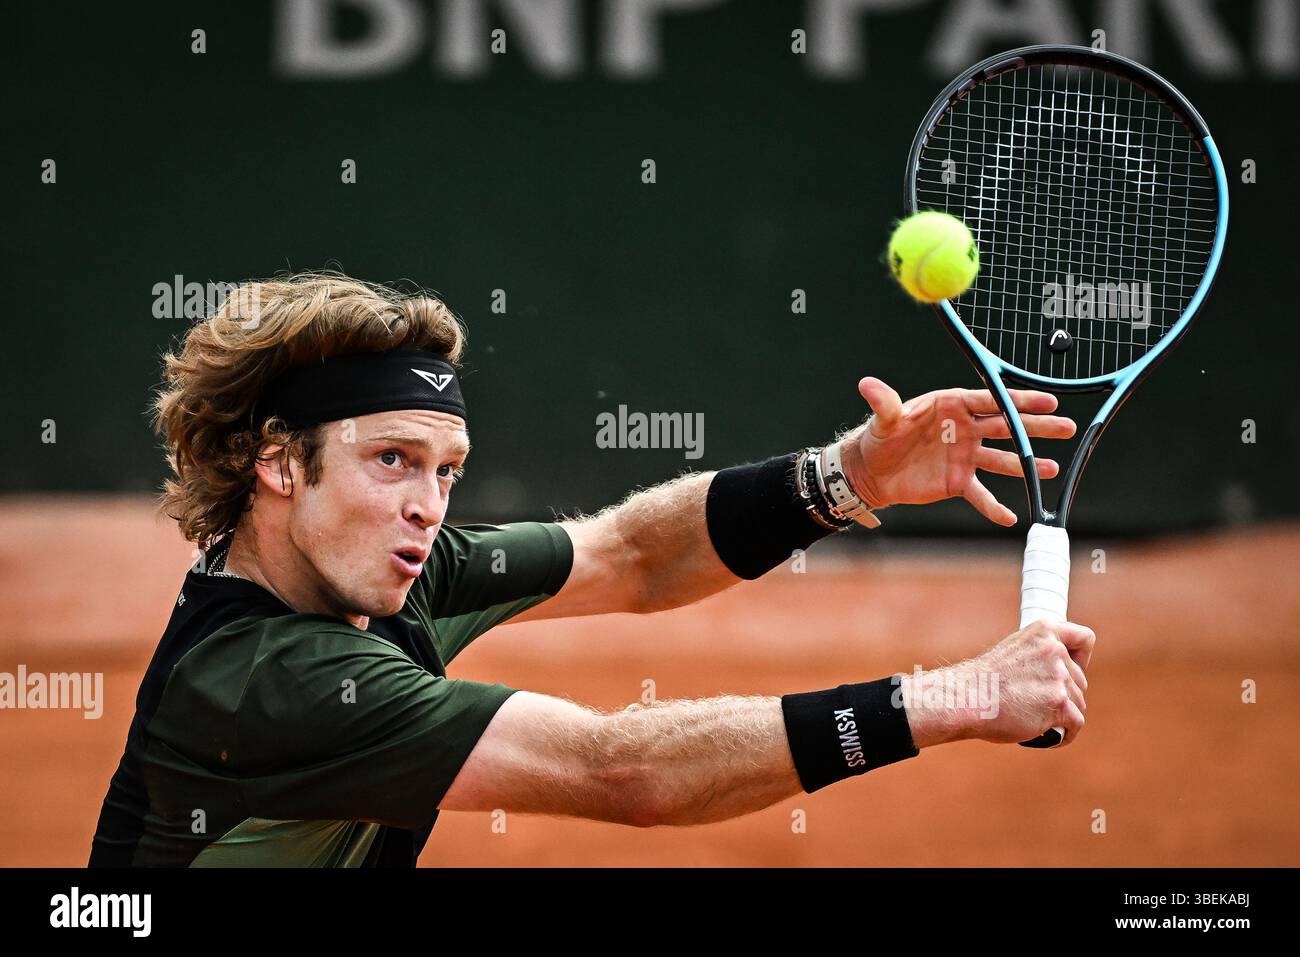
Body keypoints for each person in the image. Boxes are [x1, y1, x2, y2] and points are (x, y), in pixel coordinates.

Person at [89, 272, 1093, 867]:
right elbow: (627, 771)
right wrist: (954, 696)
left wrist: (851, 473)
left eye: (446, 471)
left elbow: (632, 554)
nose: (426, 505)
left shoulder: (379, 571)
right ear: (276, 462)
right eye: (389, 460)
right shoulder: (271, 684)